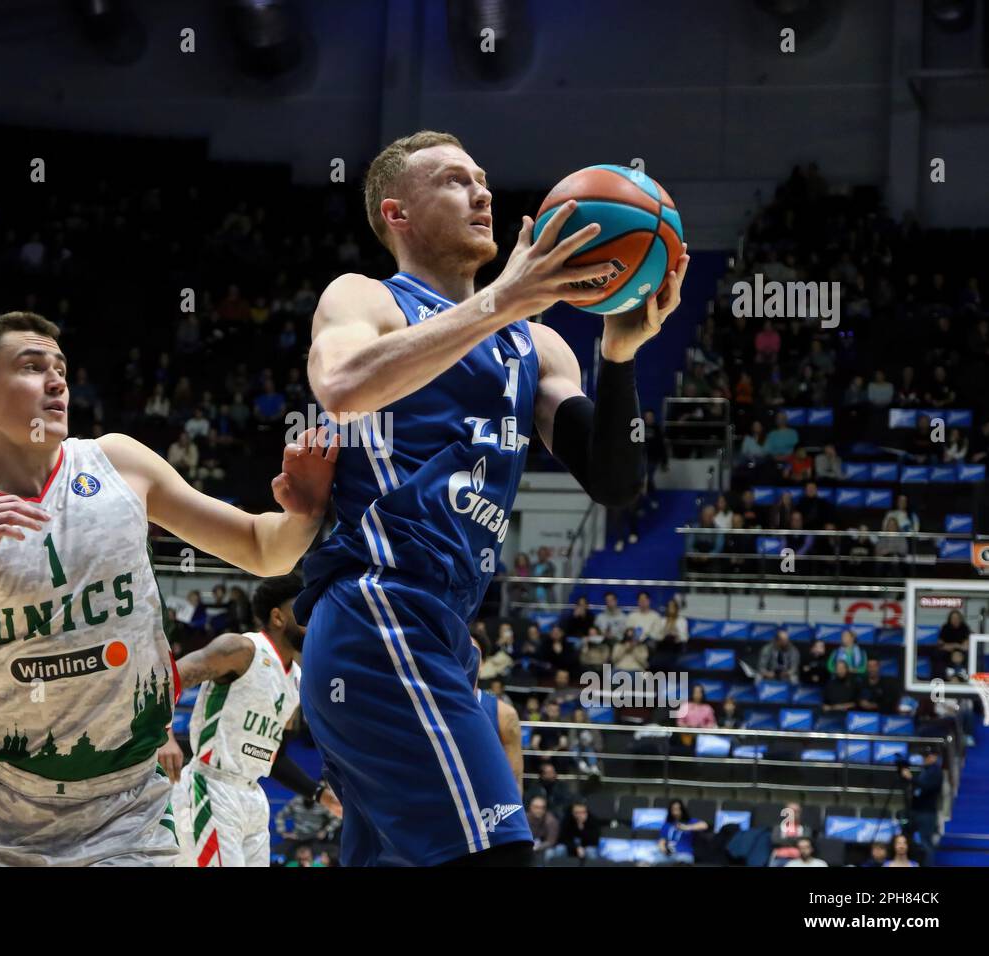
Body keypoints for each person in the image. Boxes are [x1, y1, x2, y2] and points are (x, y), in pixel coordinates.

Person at [295, 132, 686, 867]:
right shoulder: (366, 296)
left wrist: (620, 355)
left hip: (441, 632)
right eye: (452, 181)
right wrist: (504, 298)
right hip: (378, 613)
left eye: (482, 179)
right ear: (397, 214)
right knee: (499, 852)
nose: (481, 193)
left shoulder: (536, 347)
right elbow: (343, 389)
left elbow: (616, 483)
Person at [0, 312, 336, 866]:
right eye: (32, 366)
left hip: (127, 812)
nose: (57, 380)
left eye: (60, 368)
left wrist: (303, 512)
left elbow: (263, 549)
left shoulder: (120, 463)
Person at [167, 575, 341, 868]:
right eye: (304, 611)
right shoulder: (240, 649)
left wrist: (321, 795)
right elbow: (168, 679)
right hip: (211, 786)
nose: (312, 620)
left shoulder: (296, 679)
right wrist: (165, 735)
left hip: (252, 796)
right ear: (277, 616)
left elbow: (274, 757)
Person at [471, 633, 524, 792]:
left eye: (472, 653)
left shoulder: (503, 714)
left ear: (483, 664)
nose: (464, 658)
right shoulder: (425, 707)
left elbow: (514, 781)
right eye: (458, 651)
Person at [901, 749, 943, 850]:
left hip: (927, 812)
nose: (925, 759)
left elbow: (926, 786)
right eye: (924, 756)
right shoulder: (925, 770)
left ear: (934, 757)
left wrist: (911, 778)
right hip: (917, 809)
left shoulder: (936, 771)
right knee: (909, 840)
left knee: (926, 842)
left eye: (928, 756)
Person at [656, 799, 707, 865]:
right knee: (648, 862)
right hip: (669, 854)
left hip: (684, 854)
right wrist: (664, 850)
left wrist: (687, 827)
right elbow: (661, 841)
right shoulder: (667, 824)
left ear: (682, 810)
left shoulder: (690, 821)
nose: (675, 812)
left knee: (682, 862)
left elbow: (704, 825)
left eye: (678, 809)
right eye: (673, 809)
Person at [525, 794, 560, 865]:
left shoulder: (550, 821)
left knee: (550, 853)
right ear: (530, 807)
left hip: (545, 848)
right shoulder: (524, 819)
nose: (539, 810)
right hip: (528, 845)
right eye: (536, 807)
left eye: (542, 808)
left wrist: (537, 847)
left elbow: (551, 842)